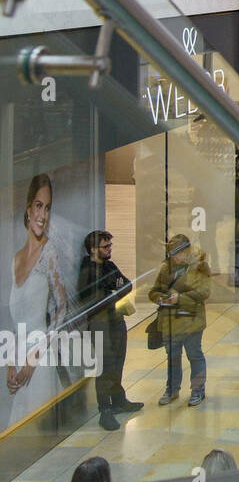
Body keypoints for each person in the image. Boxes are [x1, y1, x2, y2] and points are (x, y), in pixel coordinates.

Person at [9, 173, 71, 425]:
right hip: (18, 364)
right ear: (28, 209)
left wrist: (33, 360)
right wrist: (11, 366)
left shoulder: (50, 252)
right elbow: (13, 323)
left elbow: (62, 307)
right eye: (38, 206)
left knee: (38, 440)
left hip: (39, 362)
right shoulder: (15, 259)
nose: (42, 215)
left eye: (47, 208)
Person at [77, 231, 142, 431]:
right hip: (100, 323)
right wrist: (113, 288)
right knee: (105, 365)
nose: (109, 249)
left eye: (110, 245)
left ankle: (118, 400)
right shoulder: (88, 270)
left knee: (118, 360)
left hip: (116, 320)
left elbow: (127, 285)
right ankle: (105, 409)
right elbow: (90, 297)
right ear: (94, 249)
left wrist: (112, 289)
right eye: (106, 247)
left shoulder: (109, 266)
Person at [149, 233, 211, 408]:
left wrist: (180, 298)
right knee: (172, 357)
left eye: (178, 253)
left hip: (192, 320)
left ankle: (198, 389)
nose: (175, 257)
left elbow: (204, 293)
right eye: (172, 253)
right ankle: (172, 389)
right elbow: (154, 291)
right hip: (170, 321)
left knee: (194, 354)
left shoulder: (199, 266)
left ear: (187, 250)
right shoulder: (166, 268)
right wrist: (161, 298)